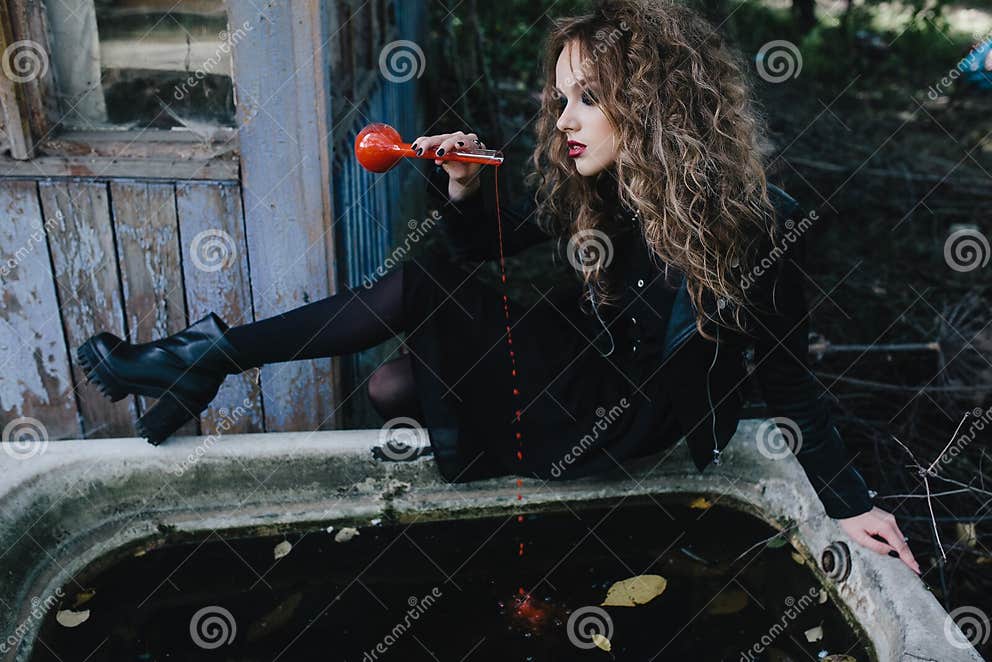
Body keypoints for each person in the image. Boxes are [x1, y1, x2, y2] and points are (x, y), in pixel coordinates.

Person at [76, 0, 919, 575]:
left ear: (656, 103)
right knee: (392, 382)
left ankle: (209, 356)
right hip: (573, 353)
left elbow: (789, 378)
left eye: (589, 98)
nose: (564, 119)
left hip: (620, 412)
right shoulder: (600, 184)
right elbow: (484, 248)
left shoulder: (751, 225)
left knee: (416, 300)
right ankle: (213, 362)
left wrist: (849, 507)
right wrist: (466, 193)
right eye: (561, 98)